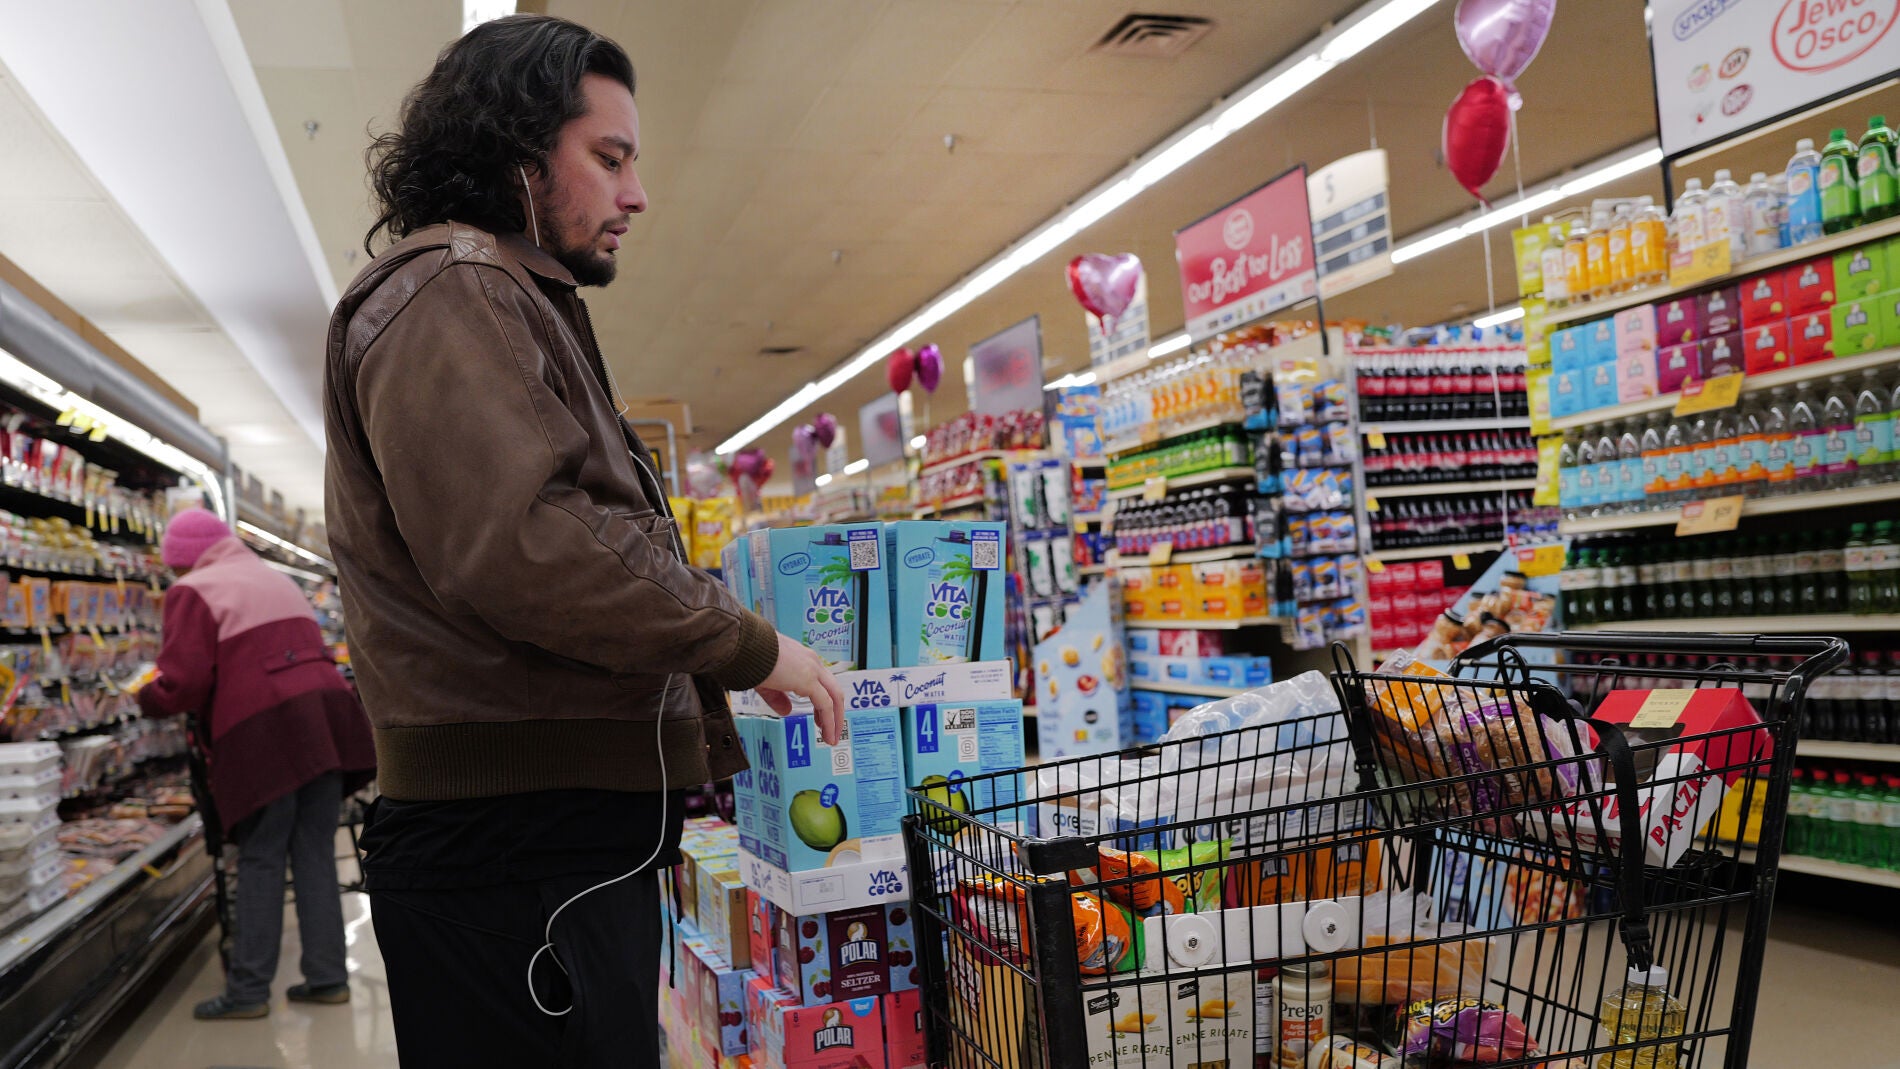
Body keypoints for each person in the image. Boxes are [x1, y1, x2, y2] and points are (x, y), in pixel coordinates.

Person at [323, 15, 845, 1067]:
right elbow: (528, 542)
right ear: (516, 155)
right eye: (609, 158)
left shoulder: (498, 294)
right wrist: (744, 644)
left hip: (537, 842)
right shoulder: (452, 288)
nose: (636, 193)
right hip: (512, 847)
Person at [135, 507, 376, 1020]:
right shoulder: (275, 579)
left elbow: (185, 682)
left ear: (184, 560)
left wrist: (143, 696)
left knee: (261, 856)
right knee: (313, 853)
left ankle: (247, 993)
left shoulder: (194, 590)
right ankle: (328, 978)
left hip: (265, 732)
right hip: (326, 726)